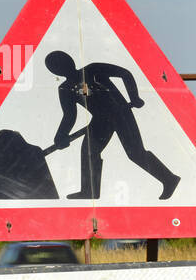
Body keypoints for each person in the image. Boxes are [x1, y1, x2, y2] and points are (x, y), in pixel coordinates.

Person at [46, 50, 180, 200]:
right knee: (89, 152)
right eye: (56, 66)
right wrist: (61, 135)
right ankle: (89, 190)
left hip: (120, 112)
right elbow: (70, 115)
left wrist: (134, 97)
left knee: (135, 153)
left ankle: (169, 179)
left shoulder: (92, 69)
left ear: (70, 61)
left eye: (62, 63)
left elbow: (125, 73)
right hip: (100, 120)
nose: (62, 67)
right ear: (55, 71)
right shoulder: (65, 89)